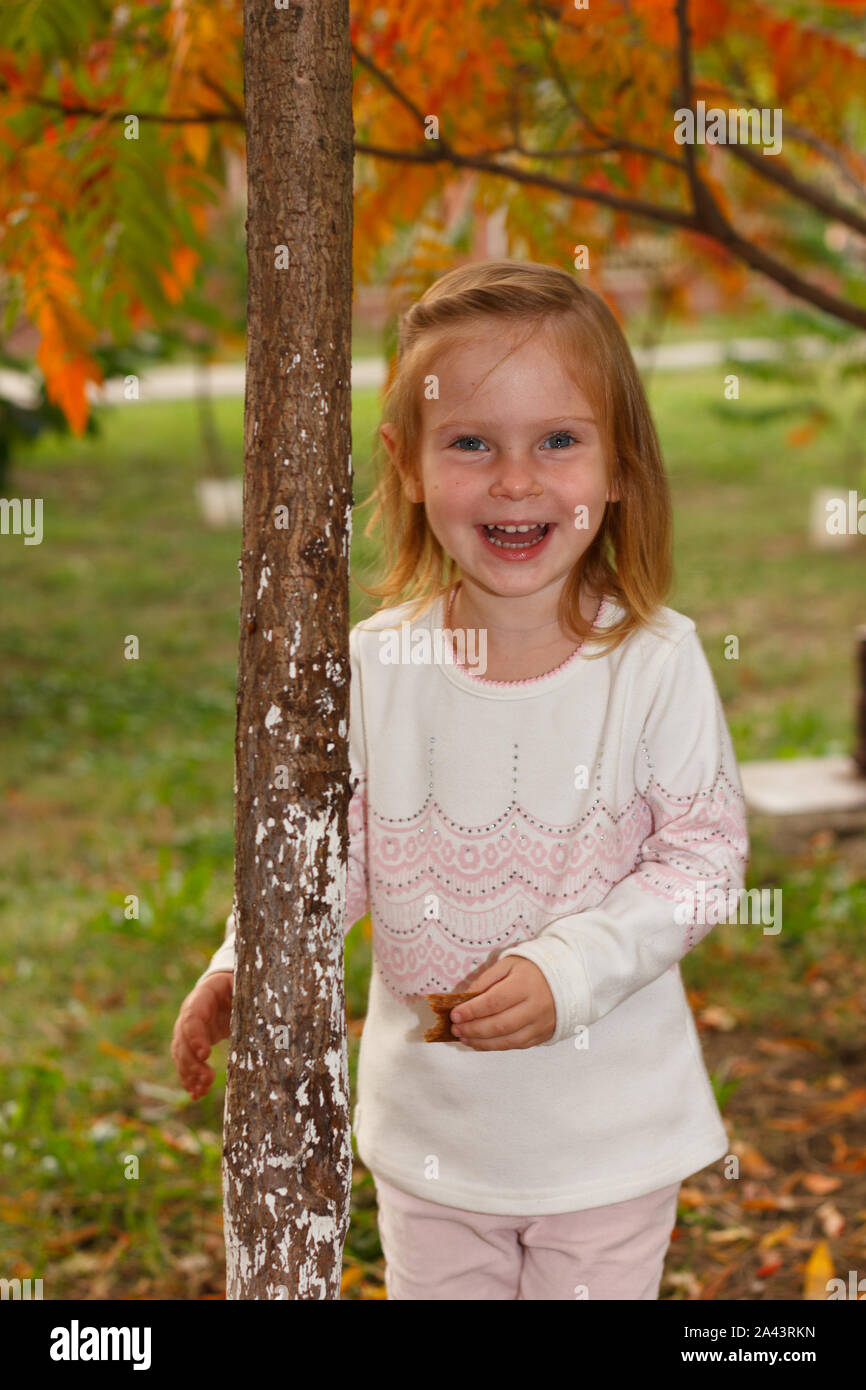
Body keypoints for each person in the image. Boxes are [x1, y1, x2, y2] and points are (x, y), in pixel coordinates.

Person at [172, 259, 750, 1300]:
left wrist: (569, 971)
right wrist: (246, 958)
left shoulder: (653, 662)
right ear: (405, 462)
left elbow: (703, 864)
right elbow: (335, 853)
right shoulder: (376, 665)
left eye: (558, 440)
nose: (515, 480)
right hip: (433, 1147)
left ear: (620, 464)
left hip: (608, 1145)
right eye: (471, 442)